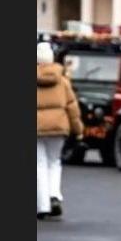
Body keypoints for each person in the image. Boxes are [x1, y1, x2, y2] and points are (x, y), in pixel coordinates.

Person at [37, 41, 83, 220]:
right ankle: (54, 195)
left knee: (40, 164)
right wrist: (78, 130)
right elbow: (72, 107)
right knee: (54, 162)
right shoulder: (62, 81)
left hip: (38, 128)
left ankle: (42, 206)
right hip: (59, 128)